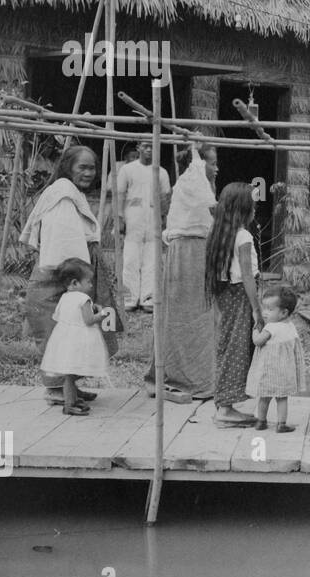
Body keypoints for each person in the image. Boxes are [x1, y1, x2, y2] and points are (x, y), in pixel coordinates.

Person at [20, 145, 121, 405]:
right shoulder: (63, 195)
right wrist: (75, 285)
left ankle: (69, 386)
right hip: (59, 279)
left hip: (71, 275)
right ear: (68, 167)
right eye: (83, 167)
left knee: (78, 335)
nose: (89, 173)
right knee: (59, 333)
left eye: (92, 168)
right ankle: (56, 389)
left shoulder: (70, 192)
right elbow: (63, 244)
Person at [144, 144, 219, 402]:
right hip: (188, 254)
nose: (216, 168)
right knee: (186, 314)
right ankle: (178, 377)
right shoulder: (191, 181)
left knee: (200, 316)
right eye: (212, 163)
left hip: (196, 251)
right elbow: (213, 207)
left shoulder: (199, 184)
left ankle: (195, 375)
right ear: (199, 164)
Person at [206, 182, 261, 426]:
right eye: (253, 204)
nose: (256, 208)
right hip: (240, 295)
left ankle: (224, 403)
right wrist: (257, 309)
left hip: (225, 293)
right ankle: (226, 409)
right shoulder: (244, 236)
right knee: (236, 349)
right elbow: (247, 276)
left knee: (227, 345)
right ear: (243, 208)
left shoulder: (219, 232)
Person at [39, 258, 111, 415]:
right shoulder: (83, 299)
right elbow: (89, 320)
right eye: (88, 282)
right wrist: (103, 313)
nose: (91, 285)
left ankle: (73, 398)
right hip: (80, 341)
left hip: (65, 339)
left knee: (70, 372)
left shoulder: (65, 297)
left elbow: (58, 317)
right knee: (72, 374)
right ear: (75, 283)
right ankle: (69, 404)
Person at [116, 139, 171, 312]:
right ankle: (130, 297)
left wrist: (164, 219)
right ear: (139, 147)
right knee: (131, 259)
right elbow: (120, 194)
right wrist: (119, 217)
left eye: (152, 147)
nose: (149, 150)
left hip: (153, 220)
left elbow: (165, 198)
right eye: (145, 146)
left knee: (152, 259)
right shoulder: (127, 169)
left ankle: (148, 297)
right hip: (133, 218)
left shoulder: (161, 172)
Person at [246, 284, 306, 433]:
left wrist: (254, 331)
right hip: (284, 373)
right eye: (264, 308)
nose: (265, 313)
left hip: (268, 372)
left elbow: (258, 342)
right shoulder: (290, 327)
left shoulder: (271, 328)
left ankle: (261, 421)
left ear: (284, 312)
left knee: (264, 397)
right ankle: (281, 424)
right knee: (282, 398)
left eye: (270, 309)